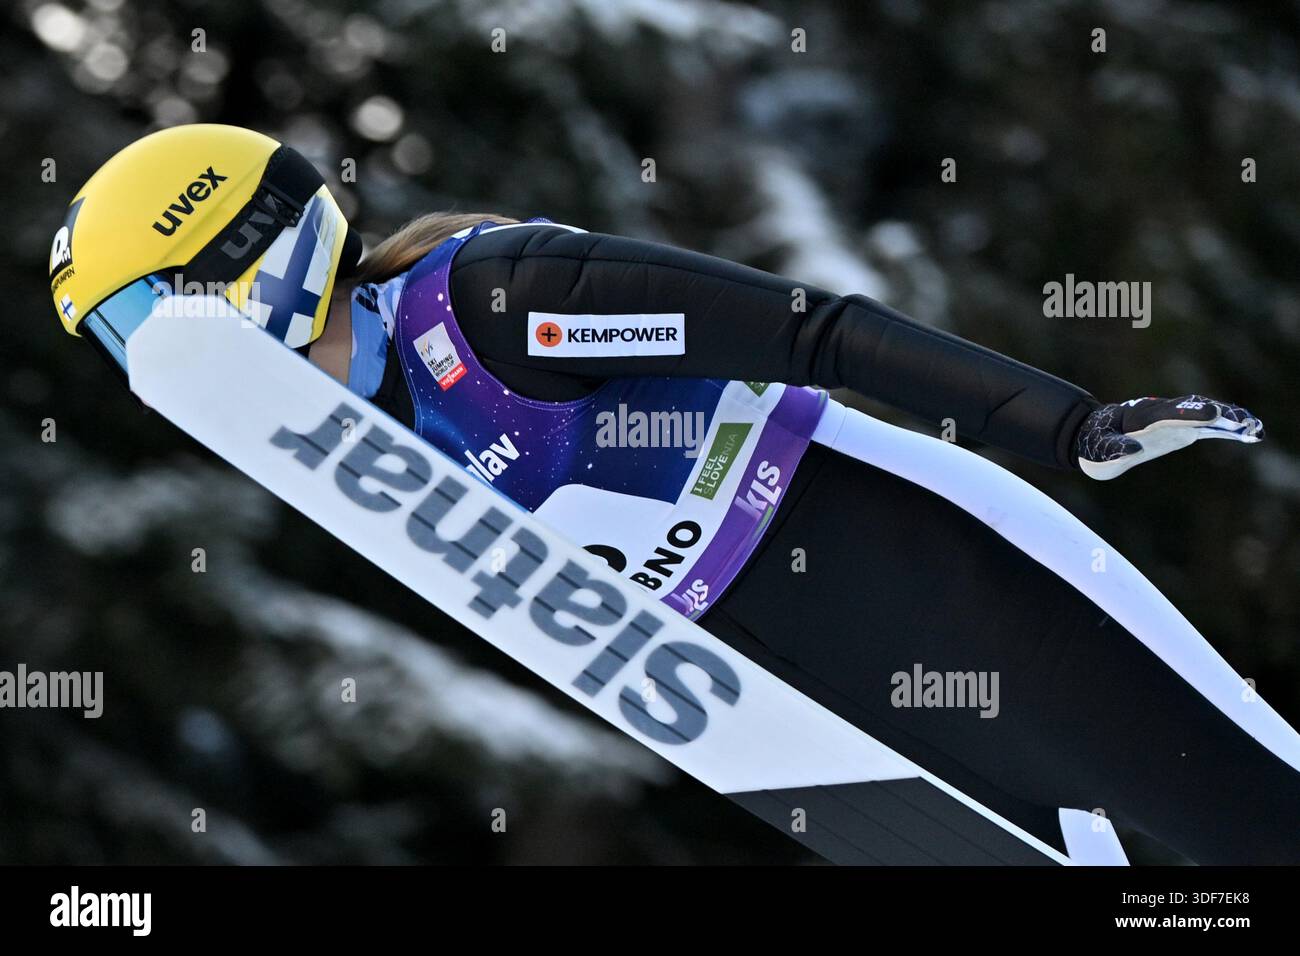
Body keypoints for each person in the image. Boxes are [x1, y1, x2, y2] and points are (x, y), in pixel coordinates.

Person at [50, 124, 1299, 864]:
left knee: (1248, 820)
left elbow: (809, 331)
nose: (144, 360)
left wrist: (1063, 429)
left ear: (241, 260)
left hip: (918, 568)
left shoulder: (490, 302)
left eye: (140, 314)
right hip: (805, 683)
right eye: (112, 340)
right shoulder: (353, 457)